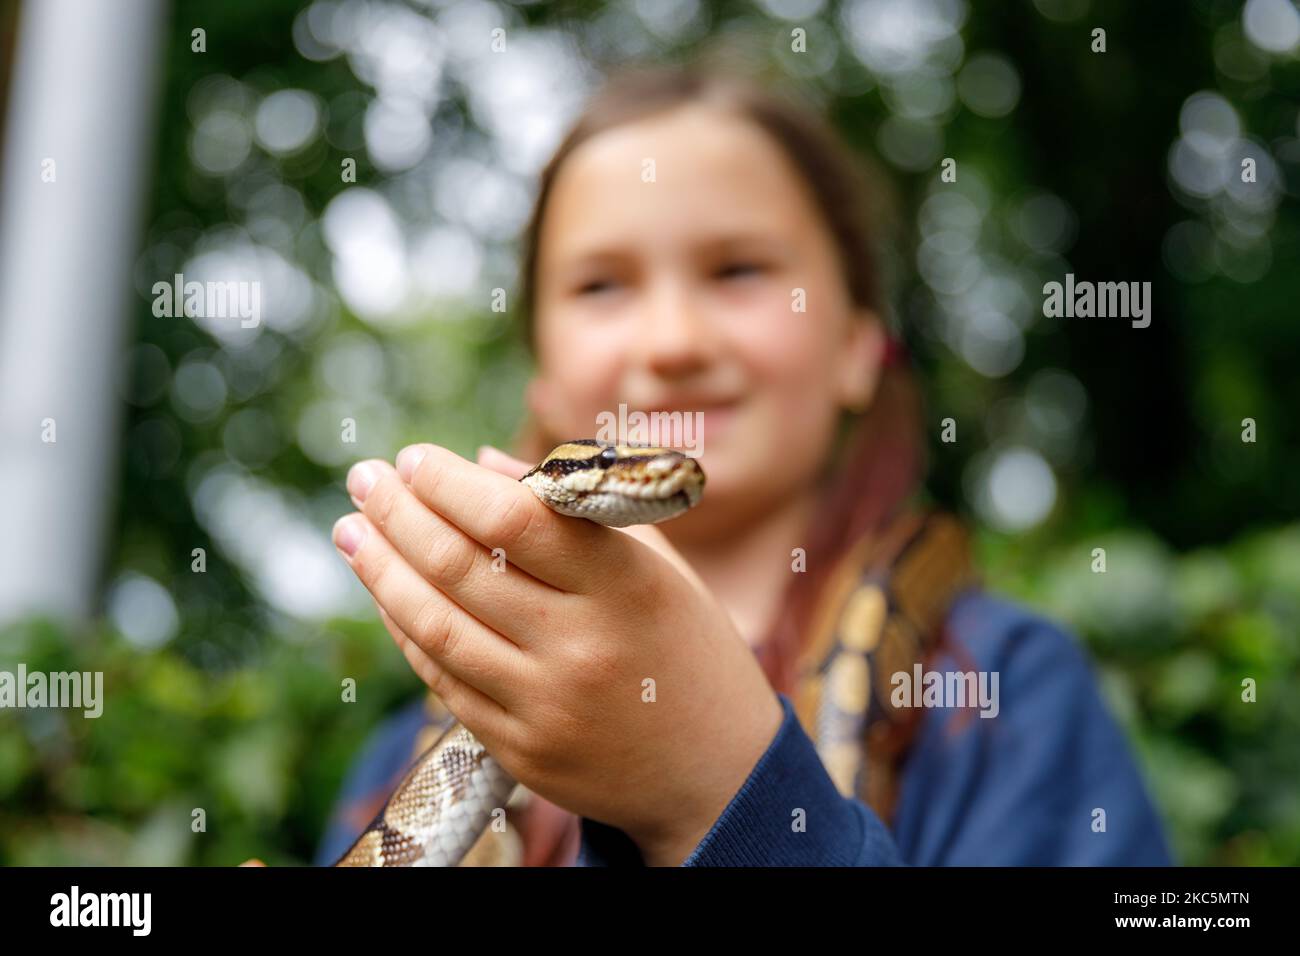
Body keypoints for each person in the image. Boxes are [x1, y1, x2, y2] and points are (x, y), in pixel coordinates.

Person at [316, 64, 1172, 867]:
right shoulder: (397, 760)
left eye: (739, 270)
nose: (674, 343)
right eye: (601, 287)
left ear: (856, 341)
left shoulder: (1006, 688)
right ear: (541, 370)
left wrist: (720, 791)